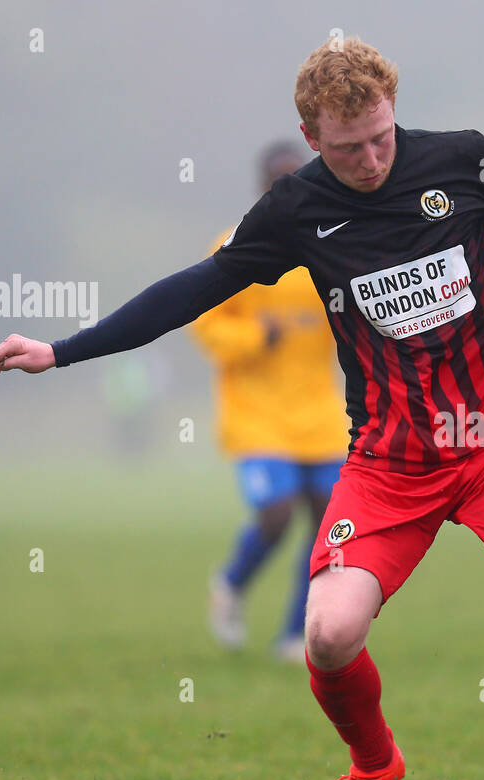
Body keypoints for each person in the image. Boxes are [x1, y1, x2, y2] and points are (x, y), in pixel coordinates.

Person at [0, 40, 484, 780]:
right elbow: (196, 290)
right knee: (330, 634)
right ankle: (374, 766)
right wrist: (63, 350)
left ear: (393, 112)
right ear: (310, 137)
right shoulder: (295, 209)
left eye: (380, 138)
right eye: (347, 148)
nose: (371, 160)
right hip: (389, 459)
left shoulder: (461, 159)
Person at [191, 142, 349, 660]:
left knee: (330, 522)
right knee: (277, 513)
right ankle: (232, 582)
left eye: (297, 177)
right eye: (279, 180)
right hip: (257, 415)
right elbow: (207, 323)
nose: (290, 188)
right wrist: (259, 334)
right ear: (263, 188)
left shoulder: (329, 247)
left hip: (319, 413)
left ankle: (294, 633)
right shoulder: (237, 246)